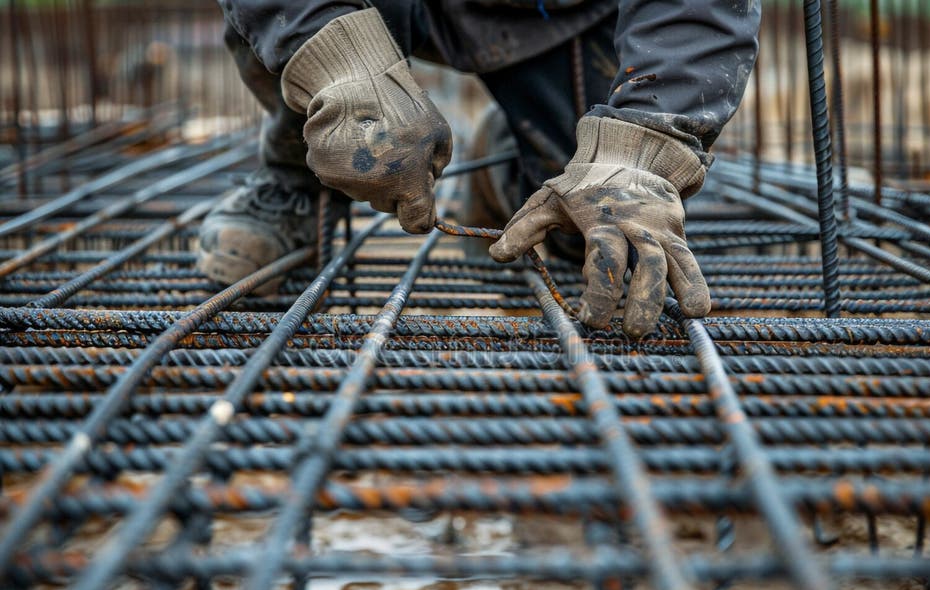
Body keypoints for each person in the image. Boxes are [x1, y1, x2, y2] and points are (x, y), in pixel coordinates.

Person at [201, 0, 760, 337]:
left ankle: (515, 170)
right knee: (310, 43)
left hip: (553, 15)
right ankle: (298, 177)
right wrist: (338, 63)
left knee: (605, 245)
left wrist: (643, 145)